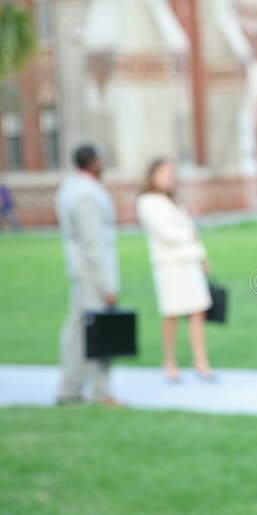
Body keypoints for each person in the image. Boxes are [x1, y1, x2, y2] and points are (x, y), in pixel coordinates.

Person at [55, 144, 122, 406]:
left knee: (76, 330)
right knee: (101, 329)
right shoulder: (87, 195)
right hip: (92, 273)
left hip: (79, 270)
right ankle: (101, 392)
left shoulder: (70, 188)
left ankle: (69, 388)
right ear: (93, 162)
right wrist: (108, 284)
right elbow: (93, 243)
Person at [136, 159, 215, 382]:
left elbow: (191, 230)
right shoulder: (147, 202)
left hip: (189, 262)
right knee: (171, 315)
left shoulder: (174, 201)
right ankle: (169, 362)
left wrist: (202, 258)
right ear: (152, 176)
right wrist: (188, 236)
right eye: (164, 174)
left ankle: (201, 361)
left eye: (171, 174)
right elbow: (166, 234)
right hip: (169, 265)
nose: (169, 178)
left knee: (198, 312)